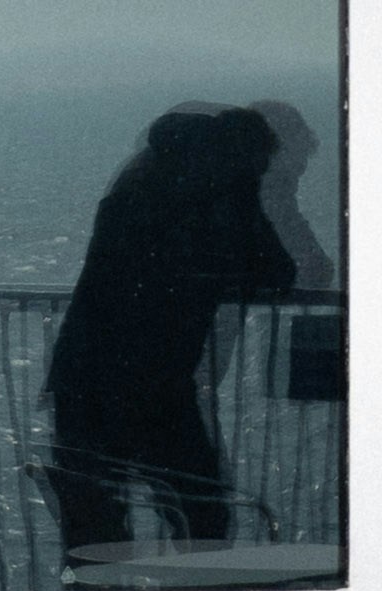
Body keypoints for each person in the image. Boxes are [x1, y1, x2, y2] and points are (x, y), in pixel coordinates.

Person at [43, 101, 303, 559]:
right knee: (202, 513)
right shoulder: (222, 189)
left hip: (83, 371)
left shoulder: (147, 175)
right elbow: (277, 270)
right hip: (154, 381)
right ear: (245, 157)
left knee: (93, 525)